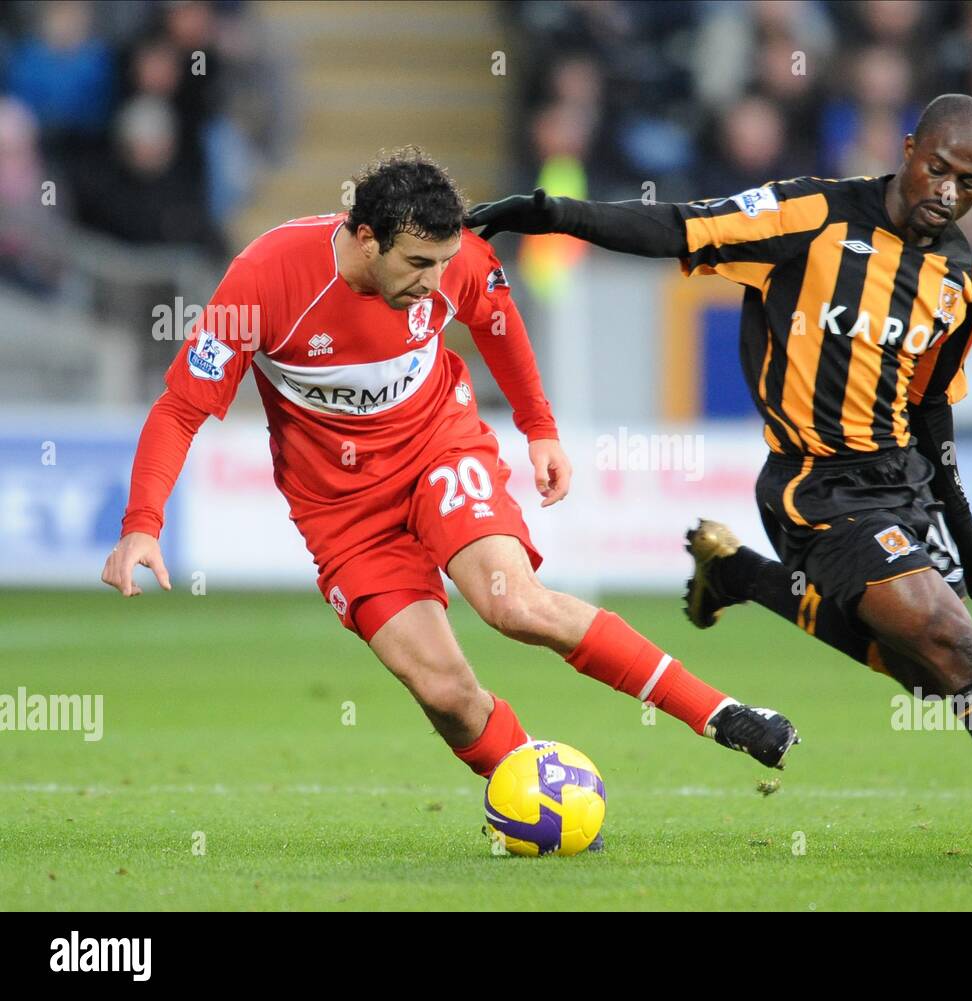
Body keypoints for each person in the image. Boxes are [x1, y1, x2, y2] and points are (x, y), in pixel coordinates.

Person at [468, 94, 972, 856]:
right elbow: (677, 225)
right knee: (957, 647)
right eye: (936, 168)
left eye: (969, 182)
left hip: (900, 487)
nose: (946, 192)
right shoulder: (808, 213)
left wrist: (965, 530)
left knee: (930, 680)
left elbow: (931, 408)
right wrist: (545, 211)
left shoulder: (956, 278)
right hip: (817, 489)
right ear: (907, 149)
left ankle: (742, 574)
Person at [101, 148, 800, 814]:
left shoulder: (454, 255)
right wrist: (142, 523)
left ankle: (723, 713)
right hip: (340, 512)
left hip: (439, 446)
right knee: (446, 692)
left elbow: (497, 322)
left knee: (516, 605)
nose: (434, 283)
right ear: (365, 237)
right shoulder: (266, 278)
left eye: (442, 263)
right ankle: (541, 791)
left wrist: (540, 427)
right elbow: (181, 407)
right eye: (416, 264)